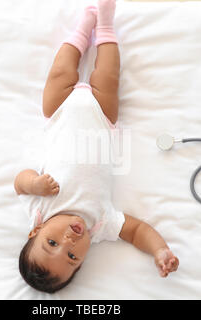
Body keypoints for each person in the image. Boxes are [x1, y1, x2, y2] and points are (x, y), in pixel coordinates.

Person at [15, 0, 179, 293]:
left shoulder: (40, 209)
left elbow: (19, 182)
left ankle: (82, 28)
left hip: (60, 111)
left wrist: (35, 183)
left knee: (59, 72)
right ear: (82, 261)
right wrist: (159, 250)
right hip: (102, 117)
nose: (68, 242)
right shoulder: (101, 224)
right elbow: (137, 230)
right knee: (108, 76)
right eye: (72, 256)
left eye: (51, 243)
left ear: (36, 230)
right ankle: (105, 25)